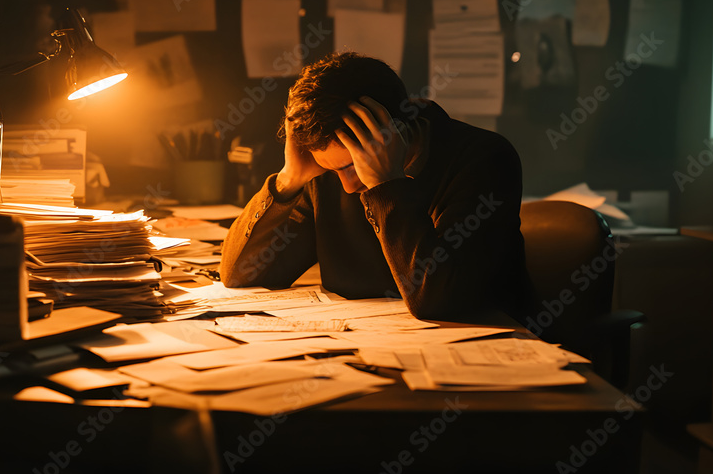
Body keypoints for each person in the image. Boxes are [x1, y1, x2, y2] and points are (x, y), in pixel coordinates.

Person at [219, 52, 532, 322]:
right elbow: (239, 275)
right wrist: (289, 180)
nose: (347, 185)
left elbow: (438, 300)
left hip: (484, 357)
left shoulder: (484, 159)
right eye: (332, 168)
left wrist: (386, 185)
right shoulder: (323, 173)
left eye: (351, 165)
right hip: (367, 349)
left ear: (395, 130)